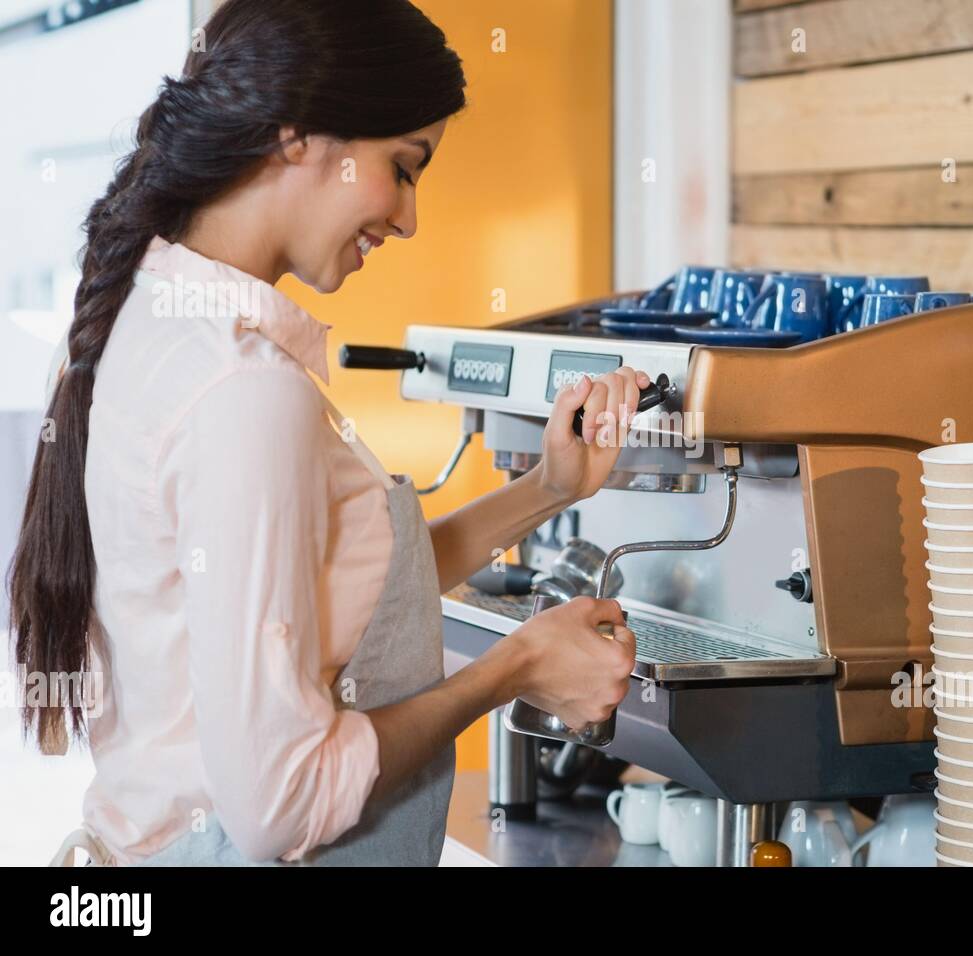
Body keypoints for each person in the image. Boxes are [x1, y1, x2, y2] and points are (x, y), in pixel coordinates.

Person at [10, 0, 642, 867]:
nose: (410, 217)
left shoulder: (130, 322)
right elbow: (284, 804)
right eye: (404, 166)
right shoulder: (245, 392)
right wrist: (514, 670)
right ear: (297, 136)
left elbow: (344, 590)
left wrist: (549, 491)